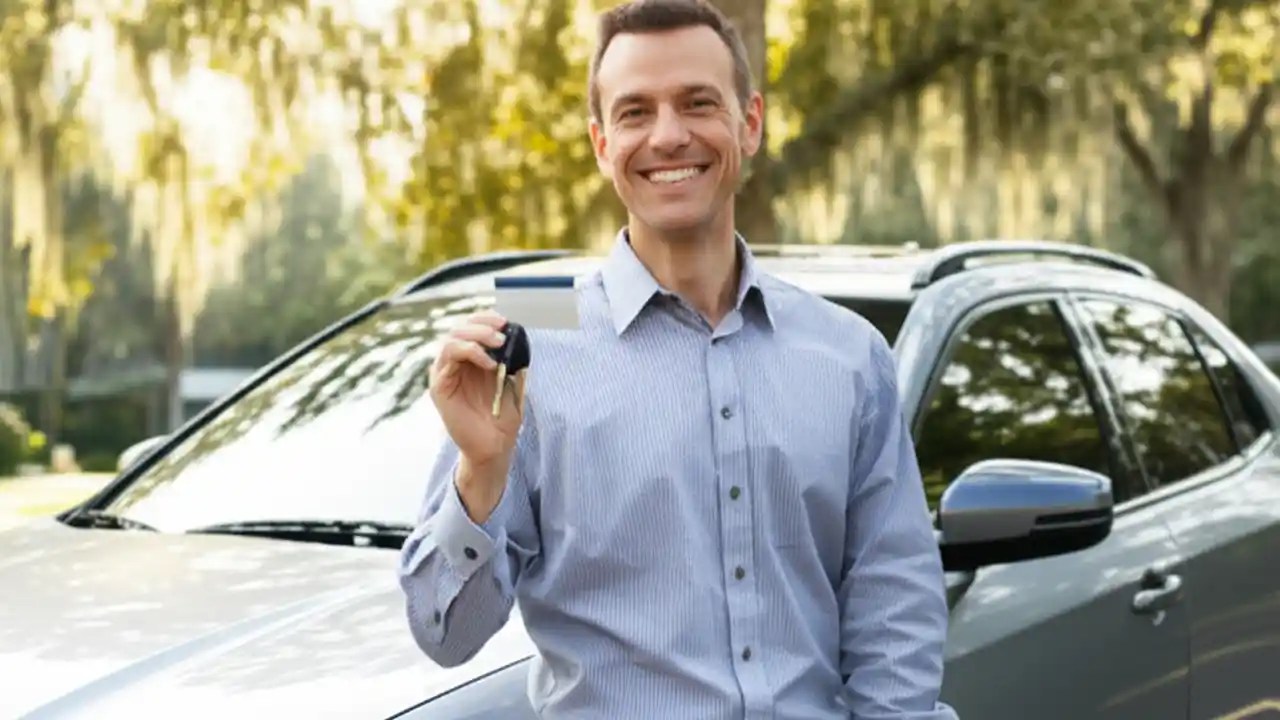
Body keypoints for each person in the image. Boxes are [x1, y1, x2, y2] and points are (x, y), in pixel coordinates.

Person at [398, 1, 957, 717]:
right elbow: (442, 635)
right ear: (602, 144)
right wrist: (480, 473)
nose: (668, 136)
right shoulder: (532, 341)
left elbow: (895, 618)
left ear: (749, 123)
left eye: (698, 103)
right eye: (635, 112)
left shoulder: (849, 354)